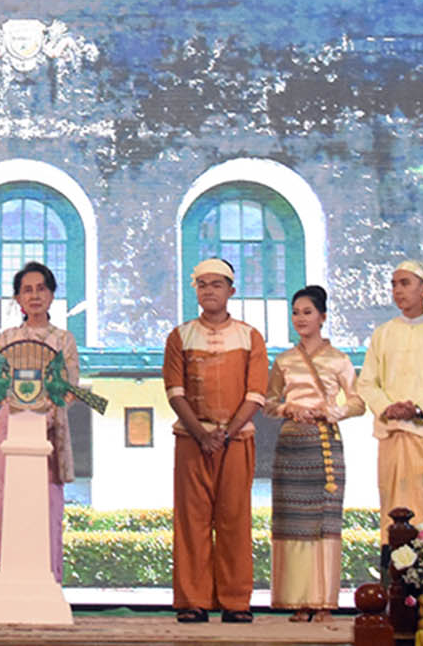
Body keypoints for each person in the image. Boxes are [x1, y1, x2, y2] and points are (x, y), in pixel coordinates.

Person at [163, 257, 268, 624]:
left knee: (234, 518)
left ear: (231, 290)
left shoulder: (250, 336)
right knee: (191, 520)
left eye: (217, 284)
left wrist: (227, 432)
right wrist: (202, 433)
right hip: (191, 440)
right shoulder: (180, 336)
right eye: (202, 284)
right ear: (195, 290)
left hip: (236, 440)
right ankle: (192, 600)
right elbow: (174, 391)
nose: (209, 291)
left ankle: (236, 601)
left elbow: (256, 393)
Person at [265, 284, 364, 622]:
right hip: (291, 445)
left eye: (307, 312)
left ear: (322, 317)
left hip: (324, 444)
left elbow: (358, 402)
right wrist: (288, 408)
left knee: (324, 523)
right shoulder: (284, 360)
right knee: (292, 522)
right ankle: (298, 601)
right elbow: (268, 402)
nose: (300, 318)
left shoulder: (339, 359)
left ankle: (323, 602)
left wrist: (332, 411)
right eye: (296, 313)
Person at [355, 259, 423, 555]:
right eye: (394, 285)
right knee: (392, 510)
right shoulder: (383, 334)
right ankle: (392, 575)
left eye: (405, 284)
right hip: (392, 435)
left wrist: (419, 409)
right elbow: (366, 383)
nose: (397, 291)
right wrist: (388, 407)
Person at [0, 261, 78, 585]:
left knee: (47, 506)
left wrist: (45, 414)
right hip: (11, 428)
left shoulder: (64, 339)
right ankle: (10, 582)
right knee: (10, 503)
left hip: (50, 430)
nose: (35, 295)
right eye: (27, 290)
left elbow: (70, 387)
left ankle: (49, 583)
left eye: (41, 288)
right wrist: (17, 405)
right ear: (18, 299)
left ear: (52, 295)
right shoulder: (7, 338)